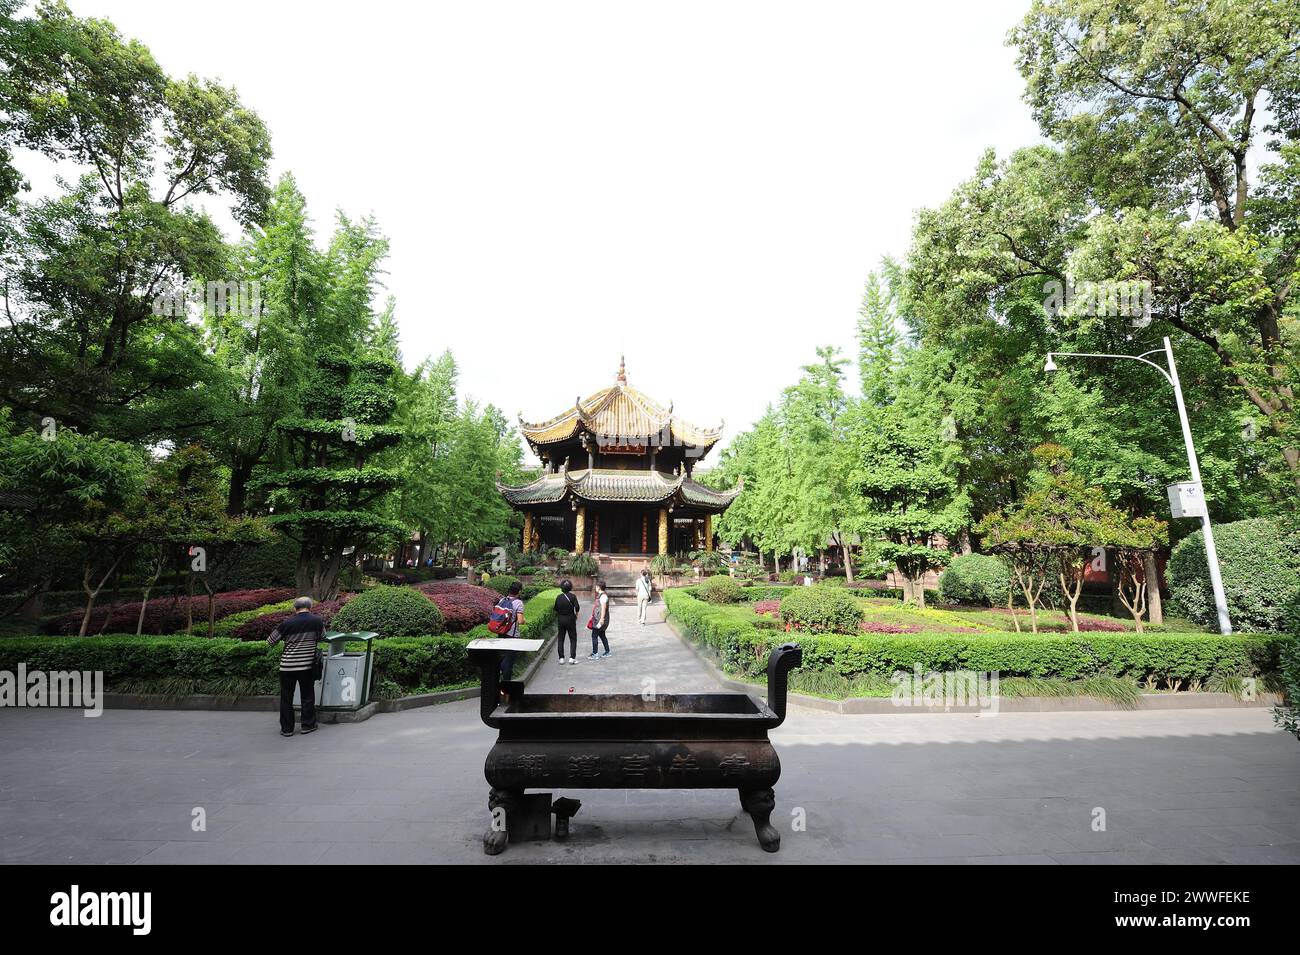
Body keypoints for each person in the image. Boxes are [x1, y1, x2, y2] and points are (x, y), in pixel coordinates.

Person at [267, 596, 324, 737]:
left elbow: (271, 641)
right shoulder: (316, 621)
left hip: (287, 667)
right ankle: (307, 725)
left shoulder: (287, 623)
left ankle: (287, 729)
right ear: (310, 607)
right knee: (307, 695)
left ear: (295, 608)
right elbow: (322, 636)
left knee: (286, 697)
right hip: (306, 666)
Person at [495, 580, 527, 689]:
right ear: (519, 591)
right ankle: (506, 685)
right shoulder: (518, 603)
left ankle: (499, 680)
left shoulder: (502, 600)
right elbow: (521, 621)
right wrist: (524, 621)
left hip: (501, 632)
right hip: (512, 635)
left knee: (502, 657)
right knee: (509, 660)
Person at [554, 579, 580, 665]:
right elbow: (577, 607)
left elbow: (556, 609)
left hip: (561, 619)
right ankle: (572, 658)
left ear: (561, 587)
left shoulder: (558, 597)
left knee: (561, 638)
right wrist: (576, 614)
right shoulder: (573, 596)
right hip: (570, 619)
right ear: (570, 587)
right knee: (573, 639)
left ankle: (561, 658)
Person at [588, 579, 611, 659]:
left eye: (596, 587)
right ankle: (607, 651)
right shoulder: (601, 595)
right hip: (598, 619)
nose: (595, 588)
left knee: (594, 636)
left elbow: (604, 608)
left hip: (599, 620)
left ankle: (595, 654)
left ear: (598, 587)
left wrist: (601, 619)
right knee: (602, 635)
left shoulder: (603, 596)